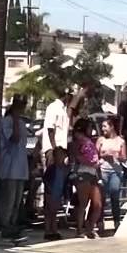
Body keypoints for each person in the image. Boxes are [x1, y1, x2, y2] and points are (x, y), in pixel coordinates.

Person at [0, 95, 30, 243]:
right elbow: (14, 138)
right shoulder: (7, 122)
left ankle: (13, 225)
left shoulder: (22, 123)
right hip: (9, 167)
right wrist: (14, 118)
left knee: (17, 200)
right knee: (8, 200)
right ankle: (5, 226)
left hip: (20, 167)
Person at [41, 90, 73, 240]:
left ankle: (53, 228)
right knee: (51, 194)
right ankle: (48, 228)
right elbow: (50, 129)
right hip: (55, 151)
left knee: (57, 195)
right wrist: (54, 150)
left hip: (61, 151)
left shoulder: (63, 110)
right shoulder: (54, 108)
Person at [70, 118, 103, 239]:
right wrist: (92, 163)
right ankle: (79, 229)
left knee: (97, 204)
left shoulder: (89, 141)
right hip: (82, 173)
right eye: (89, 127)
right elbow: (78, 157)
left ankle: (90, 228)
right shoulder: (78, 141)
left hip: (93, 174)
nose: (92, 130)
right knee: (83, 203)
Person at [97, 116, 127, 228]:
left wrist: (116, 156)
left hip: (115, 171)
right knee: (101, 197)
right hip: (103, 170)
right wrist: (104, 156)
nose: (103, 128)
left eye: (105, 126)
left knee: (115, 194)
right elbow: (95, 154)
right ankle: (100, 221)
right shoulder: (101, 140)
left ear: (112, 127)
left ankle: (116, 220)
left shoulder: (121, 141)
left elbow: (124, 157)